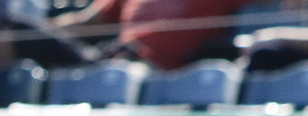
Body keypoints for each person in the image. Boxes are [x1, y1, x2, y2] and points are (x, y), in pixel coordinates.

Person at [51, 0, 250, 69]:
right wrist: (44, 29)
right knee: (21, 27)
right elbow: (86, 22)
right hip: (108, 64)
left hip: (165, 74)